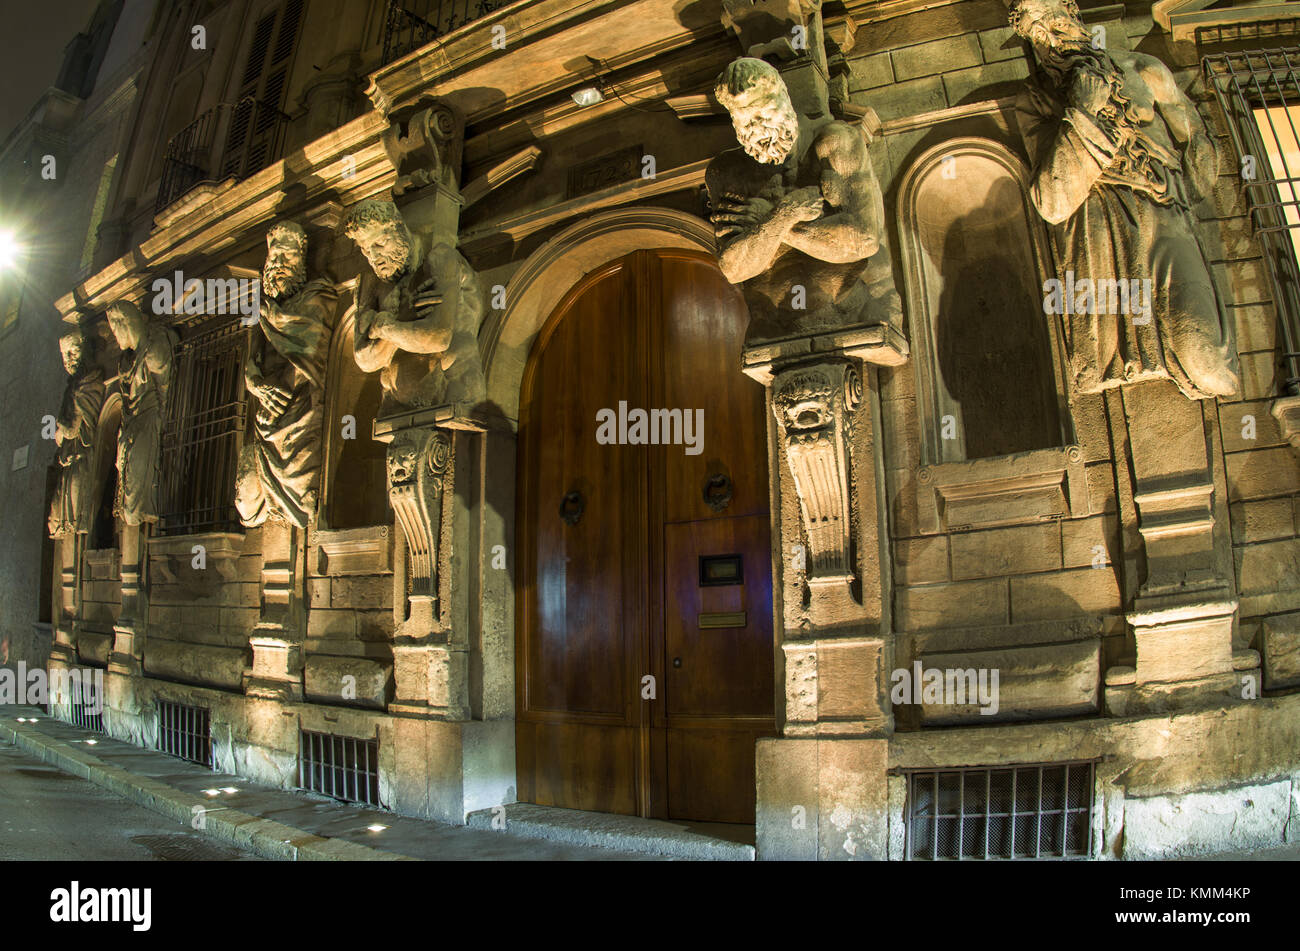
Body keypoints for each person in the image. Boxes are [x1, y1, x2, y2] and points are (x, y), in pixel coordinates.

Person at [1012, 0, 1239, 399]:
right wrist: (1083, 111)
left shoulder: (1144, 69)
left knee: (1211, 368)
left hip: (1165, 217)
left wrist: (1182, 194)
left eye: (1054, 21)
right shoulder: (1037, 99)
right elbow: (1052, 201)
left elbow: (1197, 146)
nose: (1051, 39)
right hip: (1101, 233)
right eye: (1037, 34)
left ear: (1074, 14)